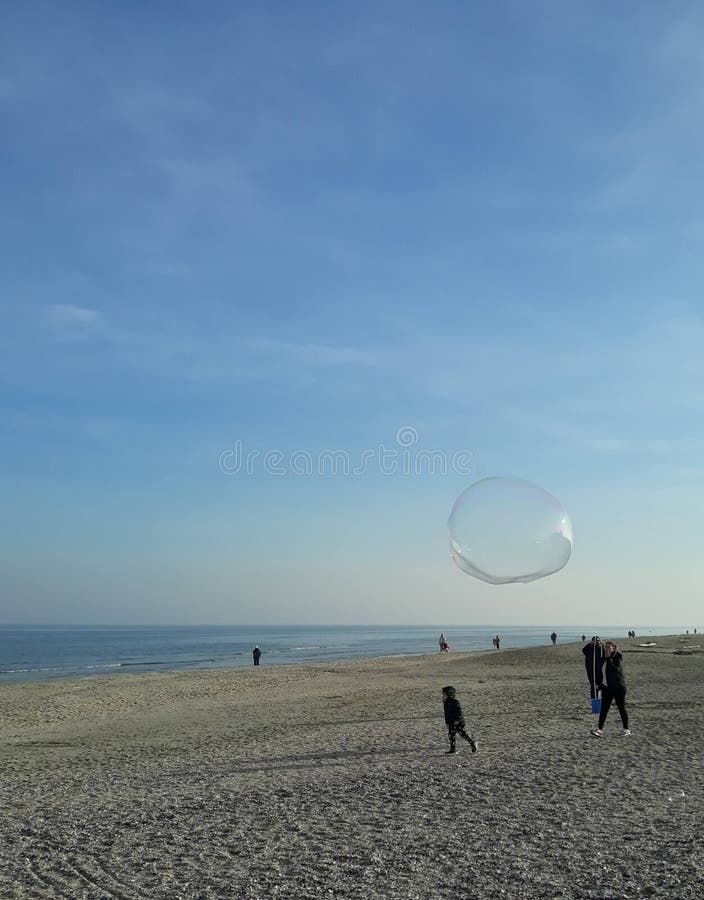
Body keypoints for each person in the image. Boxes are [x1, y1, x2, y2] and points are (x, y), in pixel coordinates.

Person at [591, 641, 630, 737]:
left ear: (613, 648)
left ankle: (626, 729)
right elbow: (601, 673)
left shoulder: (618, 657)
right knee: (604, 709)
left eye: (609, 647)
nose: (607, 649)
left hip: (618, 687)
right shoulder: (603, 659)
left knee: (621, 708)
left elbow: (615, 669)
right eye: (606, 647)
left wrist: (608, 658)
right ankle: (599, 730)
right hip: (607, 688)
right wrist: (599, 684)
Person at [441, 686, 477, 755]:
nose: (443, 696)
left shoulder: (455, 702)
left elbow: (459, 712)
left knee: (463, 734)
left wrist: (457, 720)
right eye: (443, 694)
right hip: (450, 722)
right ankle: (452, 749)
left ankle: (472, 743)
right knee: (451, 736)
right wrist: (447, 723)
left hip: (458, 722)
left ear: (449, 695)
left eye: (444, 695)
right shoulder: (445, 703)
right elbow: (447, 714)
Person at [582, 635, 604, 700]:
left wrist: (602, 645)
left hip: (600, 670)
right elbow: (584, 651)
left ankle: (601, 699)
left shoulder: (602, 648)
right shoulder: (590, 648)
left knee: (601, 685)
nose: (596, 642)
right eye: (594, 641)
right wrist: (590, 644)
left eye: (597, 641)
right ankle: (594, 699)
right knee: (593, 685)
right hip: (591, 670)